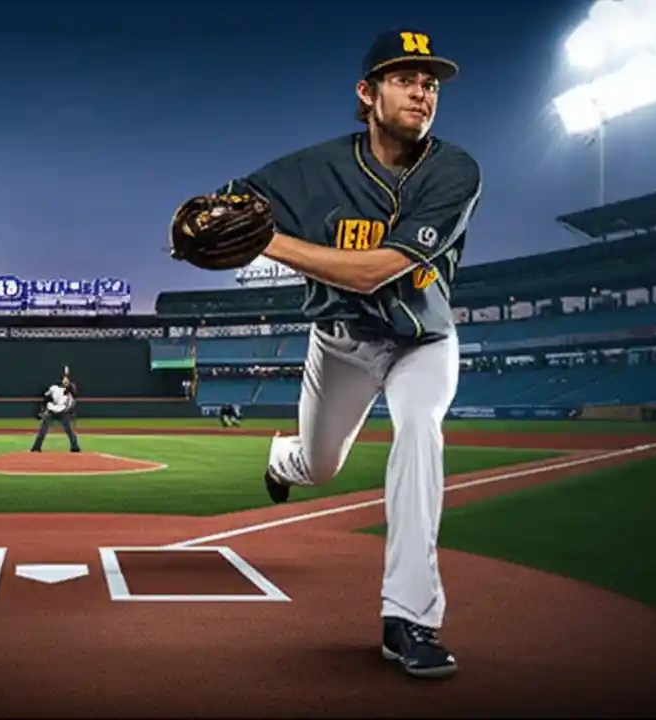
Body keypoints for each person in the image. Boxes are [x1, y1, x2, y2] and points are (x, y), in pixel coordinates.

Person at [196, 30, 482, 679]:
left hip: (423, 343)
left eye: (430, 82)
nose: (421, 91)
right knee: (319, 465)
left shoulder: (455, 170)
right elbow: (222, 207)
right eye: (404, 78)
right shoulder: (311, 169)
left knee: (419, 432)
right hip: (341, 343)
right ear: (366, 92)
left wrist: (266, 240)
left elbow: (373, 271)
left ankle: (408, 618)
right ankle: (283, 458)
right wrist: (214, 221)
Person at [30, 375, 81, 453]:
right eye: (64, 380)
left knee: (69, 430)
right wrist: (42, 410)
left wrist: (70, 387)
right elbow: (46, 398)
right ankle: (36, 447)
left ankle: (75, 447)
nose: (65, 381)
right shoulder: (54, 388)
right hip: (52, 411)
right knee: (43, 430)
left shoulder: (70, 390)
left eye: (67, 380)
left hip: (63, 412)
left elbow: (74, 395)